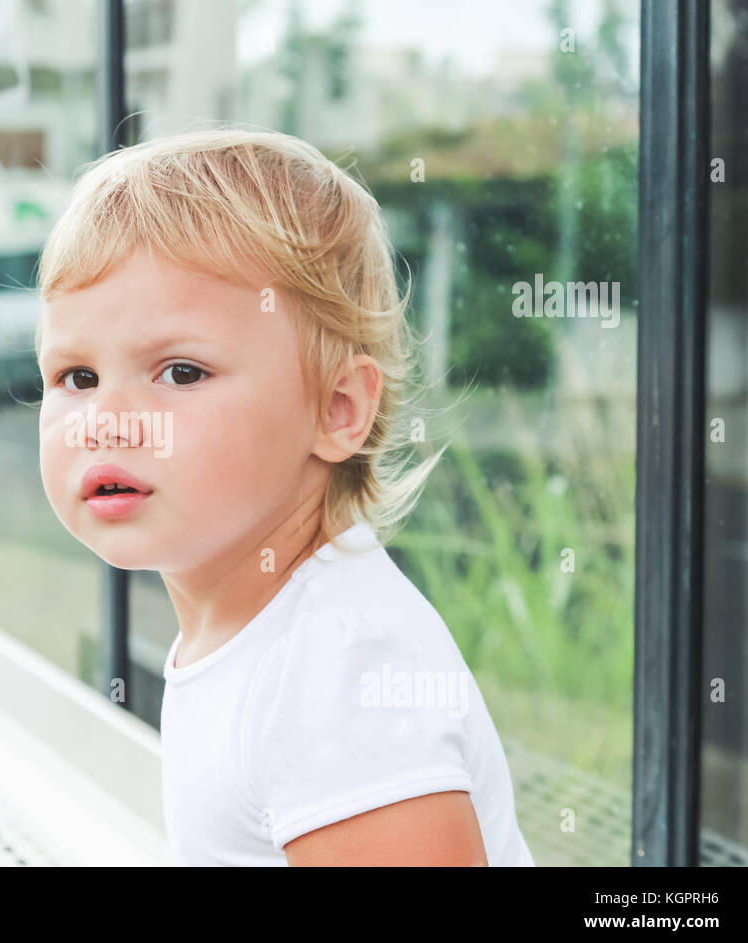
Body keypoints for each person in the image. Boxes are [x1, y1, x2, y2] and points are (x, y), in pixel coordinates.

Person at [34, 127, 535, 866]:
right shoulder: (254, 624)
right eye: (78, 378)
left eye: (179, 373)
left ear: (337, 408)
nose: (110, 421)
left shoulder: (339, 673)